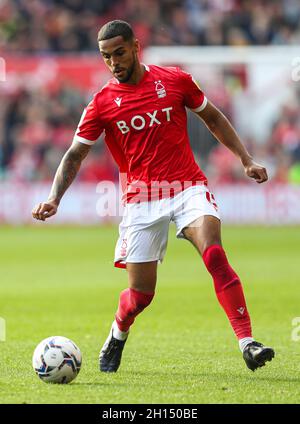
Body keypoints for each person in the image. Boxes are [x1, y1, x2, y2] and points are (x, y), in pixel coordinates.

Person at [32, 20, 275, 373]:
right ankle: (118, 332)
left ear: (135, 47)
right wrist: (55, 197)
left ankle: (247, 343)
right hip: (141, 199)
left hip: (187, 186)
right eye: (106, 57)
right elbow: (75, 153)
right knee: (140, 297)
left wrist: (246, 159)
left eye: (118, 53)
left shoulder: (174, 80)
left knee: (215, 254)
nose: (113, 62)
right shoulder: (102, 103)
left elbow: (213, 118)